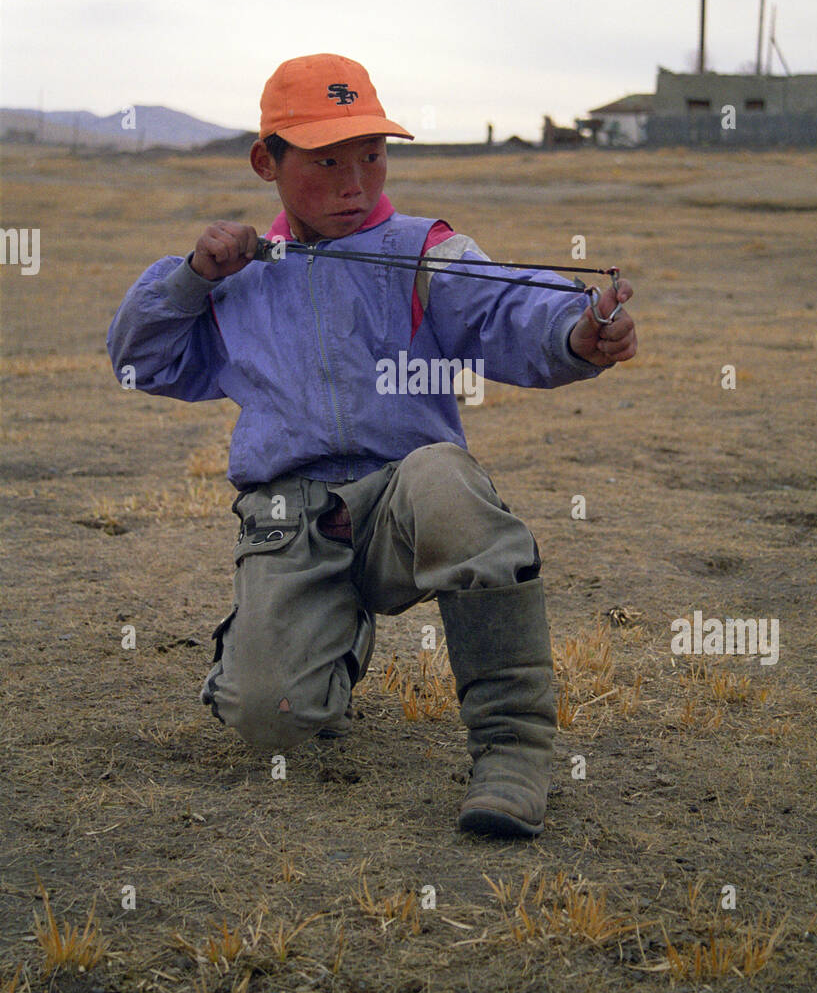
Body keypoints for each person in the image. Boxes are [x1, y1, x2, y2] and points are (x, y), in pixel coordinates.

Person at [107, 53, 637, 838]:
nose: (356, 182)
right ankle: (316, 638)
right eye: (327, 162)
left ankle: (512, 754)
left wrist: (578, 331)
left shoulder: (428, 250)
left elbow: (506, 311)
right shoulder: (235, 279)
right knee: (267, 716)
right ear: (267, 163)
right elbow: (138, 360)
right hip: (294, 522)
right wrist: (188, 278)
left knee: (446, 480)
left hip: (405, 504)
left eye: (372, 156)